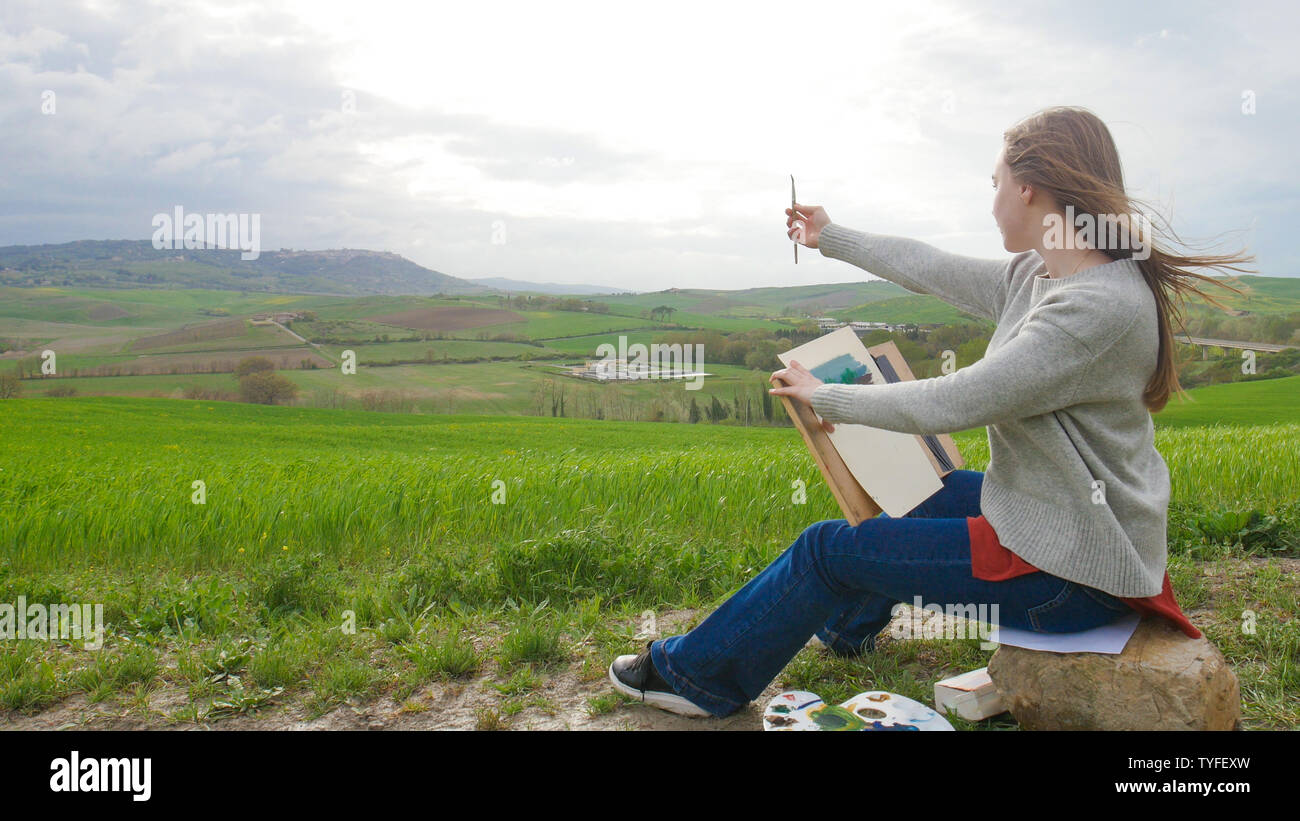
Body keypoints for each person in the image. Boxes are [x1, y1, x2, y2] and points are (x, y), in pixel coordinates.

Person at [607, 106, 1253, 719]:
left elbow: (960, 398)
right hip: (1050, 513)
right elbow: (931, 268)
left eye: (995, 180)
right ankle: (846, 624)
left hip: (1071, 571)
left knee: (827, 550)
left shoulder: (1097, 309)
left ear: (1029, 188)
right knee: (915, 491)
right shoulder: (1041, 274)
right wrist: (829, 235)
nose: (991, 195)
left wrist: (825, 395)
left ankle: (696, 679)